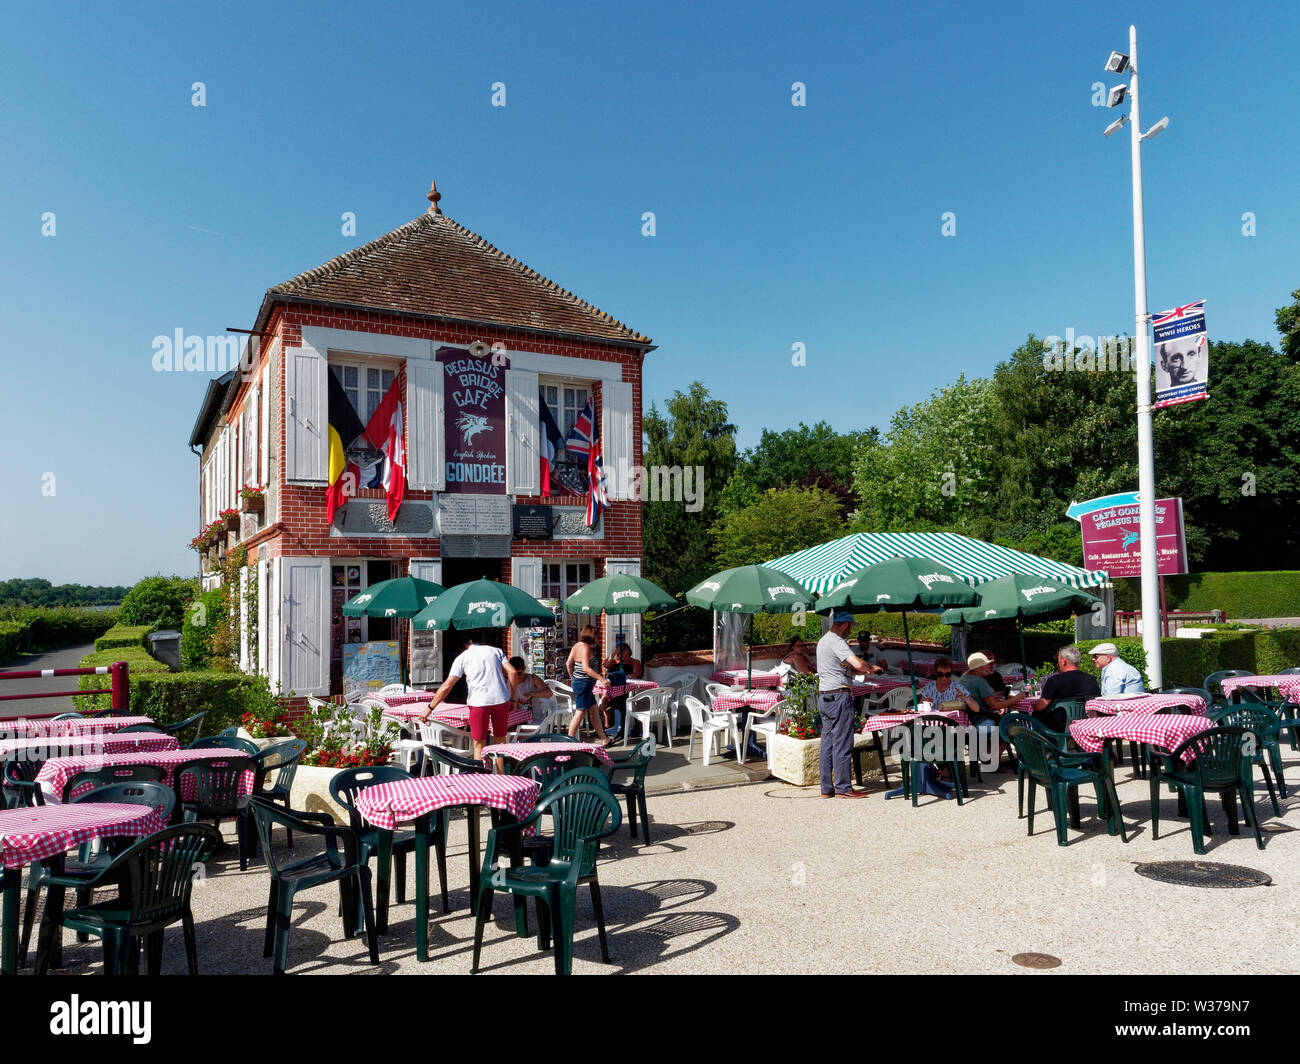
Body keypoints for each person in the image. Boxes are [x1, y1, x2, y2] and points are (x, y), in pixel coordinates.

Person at [418, 629, 520, 766]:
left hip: (479, 702)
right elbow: (513, 672)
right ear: (482, 641)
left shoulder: (463, 657)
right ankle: (500, 776)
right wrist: (512, 699)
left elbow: (447, 685)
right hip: (500, 700)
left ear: (466, 644)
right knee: (500, 743)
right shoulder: (496, 651)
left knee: (479, 745)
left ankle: (480, 775)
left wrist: (429, 708)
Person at [815, 612, 873, 799]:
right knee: (842, 742)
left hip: (825, 697)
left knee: (827, 743)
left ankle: (826, 788)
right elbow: (858, 664)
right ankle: (843, 787)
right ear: (842, 624)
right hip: (839, 696)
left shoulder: (823, 641)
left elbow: (840, 667)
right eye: (850, 626)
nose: (850, 630)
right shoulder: (837, 641)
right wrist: (869, 667)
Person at [962, 652, 1024, 769]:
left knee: (1002, 725)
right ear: (978, 667)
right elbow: (994, 705)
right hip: (980, 721)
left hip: (968, 720)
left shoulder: (964, 677)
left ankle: (989, 757)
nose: (989, 666)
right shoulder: (980, 682)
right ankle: (994, 761)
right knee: (1013, 727)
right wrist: (1018, 697)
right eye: (986, 664)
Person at [1030, 645, 1101, 731]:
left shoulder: (1054, 681)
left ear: (1064, 662)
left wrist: (1032, 705)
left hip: (1058, 728)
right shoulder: (1092, 679)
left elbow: (1040, 706)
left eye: (1059, 659)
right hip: (1086, 725)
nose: (1058, 662)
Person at [566, 626, 611, 746]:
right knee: (580, 712)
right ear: (591, 635)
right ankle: (569, 742)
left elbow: (568, 663)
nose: (598, 637)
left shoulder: (577, 646)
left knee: (594, 711)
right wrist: (601, 679)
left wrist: (573, 677)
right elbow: (586, 668)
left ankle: (604, 739)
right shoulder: (585, 648)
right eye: (597, 635)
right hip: (584, 684)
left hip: (582, 683)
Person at [508, 657, 556, 724]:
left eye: (519, 673)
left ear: (524, 668)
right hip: (515, 719)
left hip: (533, 719)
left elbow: (549, 693)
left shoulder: (533, 679)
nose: (517, 677)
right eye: (514, 675)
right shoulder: (507, 681)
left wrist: (531, 694)